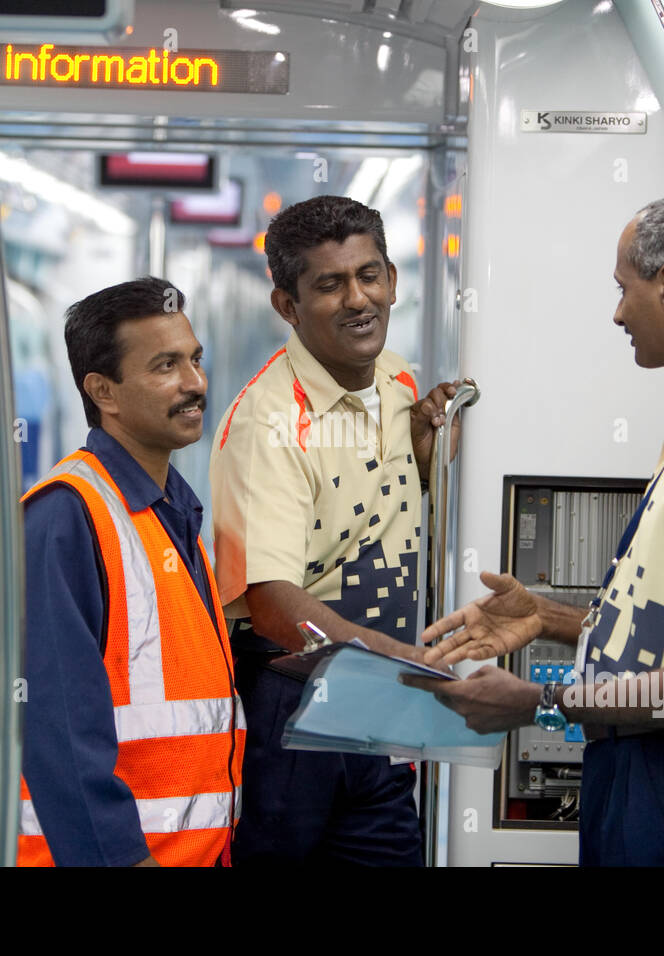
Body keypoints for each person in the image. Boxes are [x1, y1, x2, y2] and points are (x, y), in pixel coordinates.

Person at [406, 192, 664, 867]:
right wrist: (544, 616)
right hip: (644, 768)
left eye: (623, 289)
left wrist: (538, 702)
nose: (617, 312)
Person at [209, 195, 460, 865]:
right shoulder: (269, 424)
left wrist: (431, 453)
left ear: (393, 279)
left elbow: (384, 509)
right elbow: (271, 602)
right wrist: (401, 658)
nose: (359, 298)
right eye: (330, 284)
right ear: (287, 306)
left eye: (370, 274)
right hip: (294, 709)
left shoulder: (399, 382)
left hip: (374, 702)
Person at [18, 276, 245, 867]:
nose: (195, 383)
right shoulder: (68, 515)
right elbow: (57, 730)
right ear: (105, 392)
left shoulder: (171, 508)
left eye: (195, 360)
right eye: (165, 366)